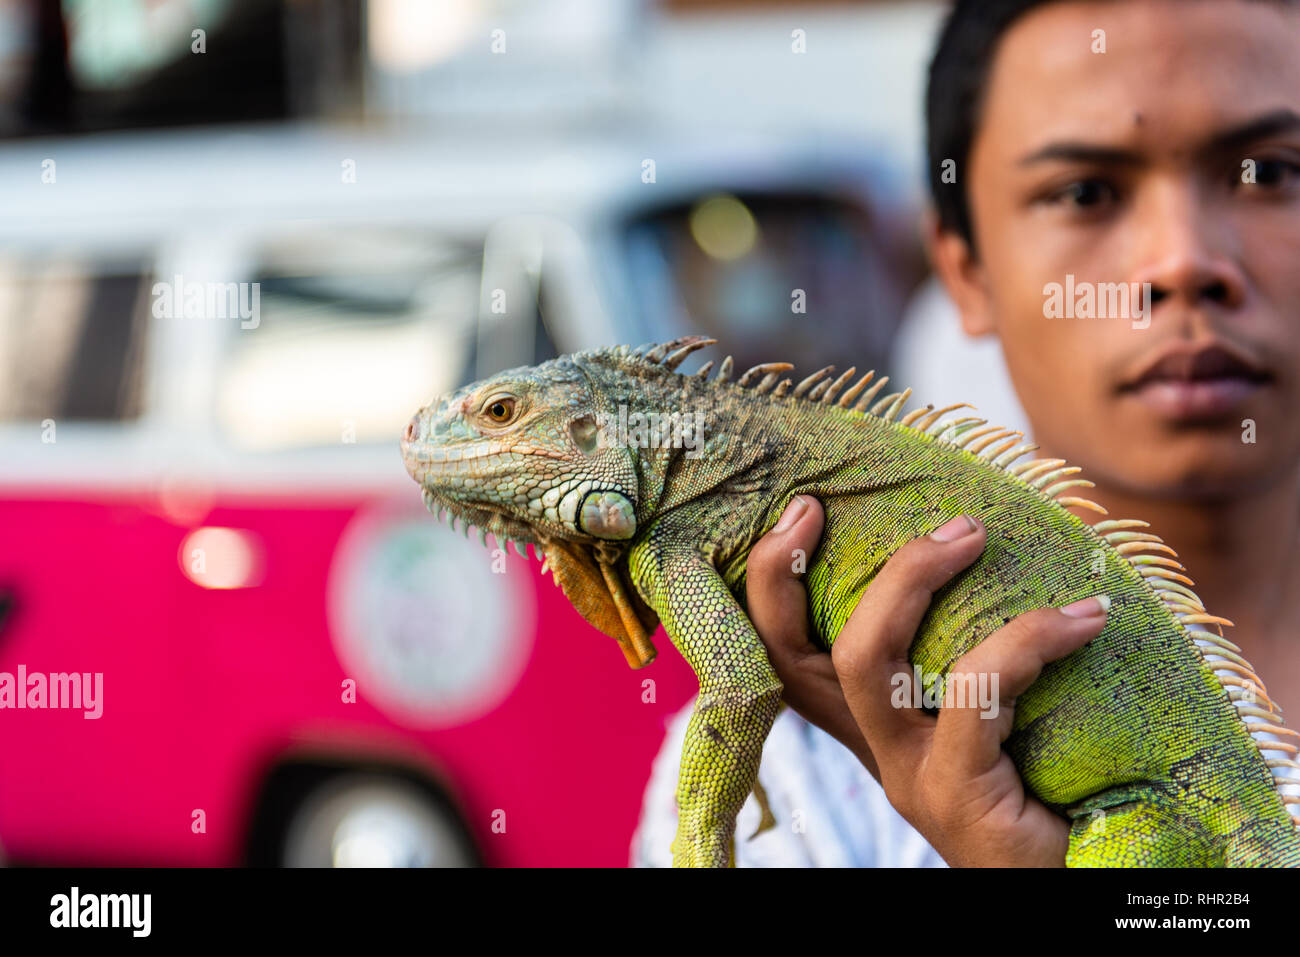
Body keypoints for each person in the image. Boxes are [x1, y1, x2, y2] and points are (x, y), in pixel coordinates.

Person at [632, 0, 1300, 867]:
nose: (1181, 262)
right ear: (963, 268)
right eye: (1084, 192)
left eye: (1268, 173)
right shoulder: (793, 784)